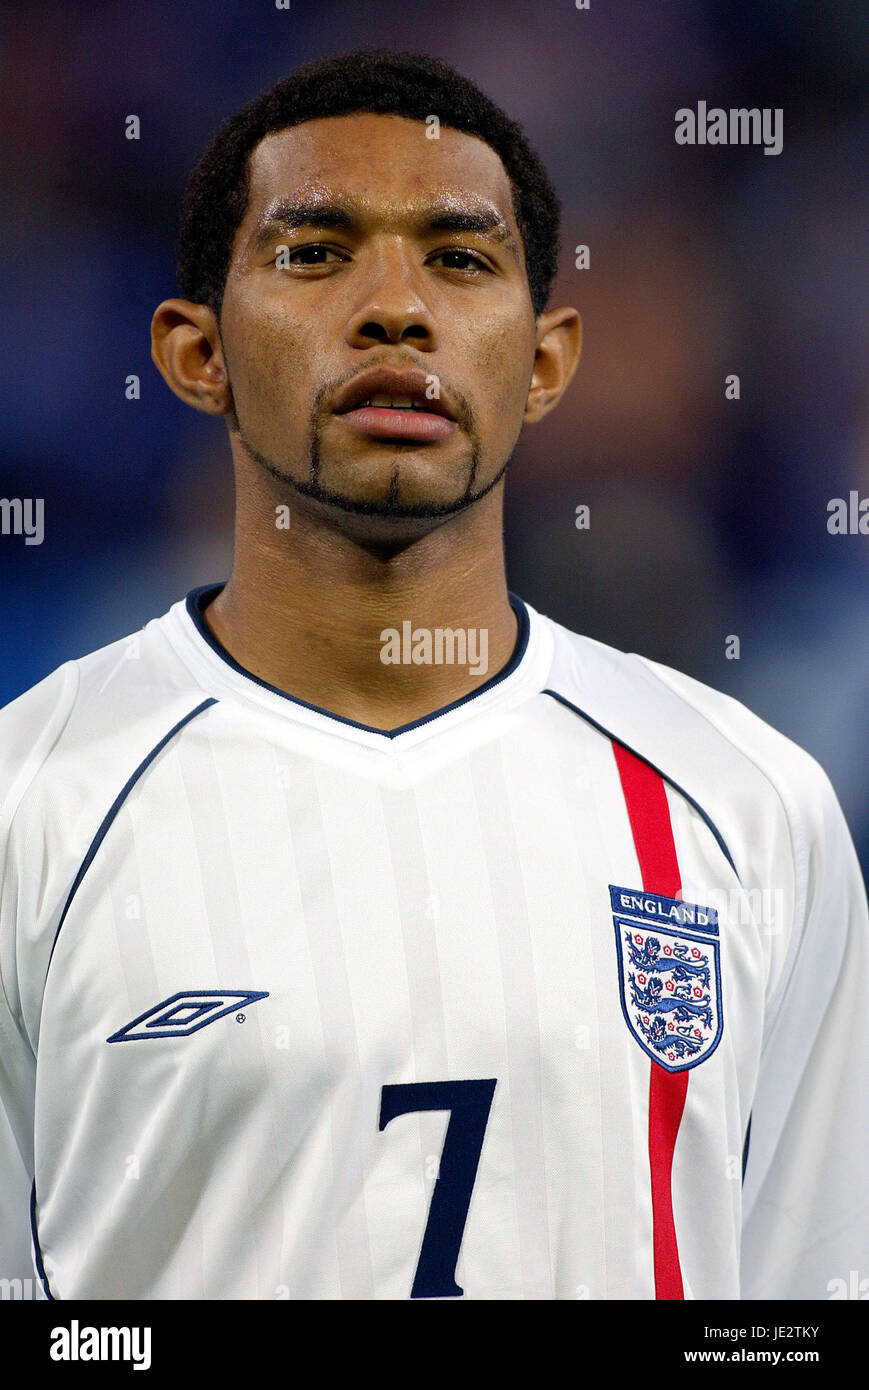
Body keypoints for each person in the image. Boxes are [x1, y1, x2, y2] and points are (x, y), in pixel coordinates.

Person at [1, 49, 866, 1301]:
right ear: (195, 353)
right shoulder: (35, 804)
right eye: (314, 252)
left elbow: (804, 1298)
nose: (394, 307)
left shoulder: (745, 808)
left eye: (458, 258)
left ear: (545, 361)